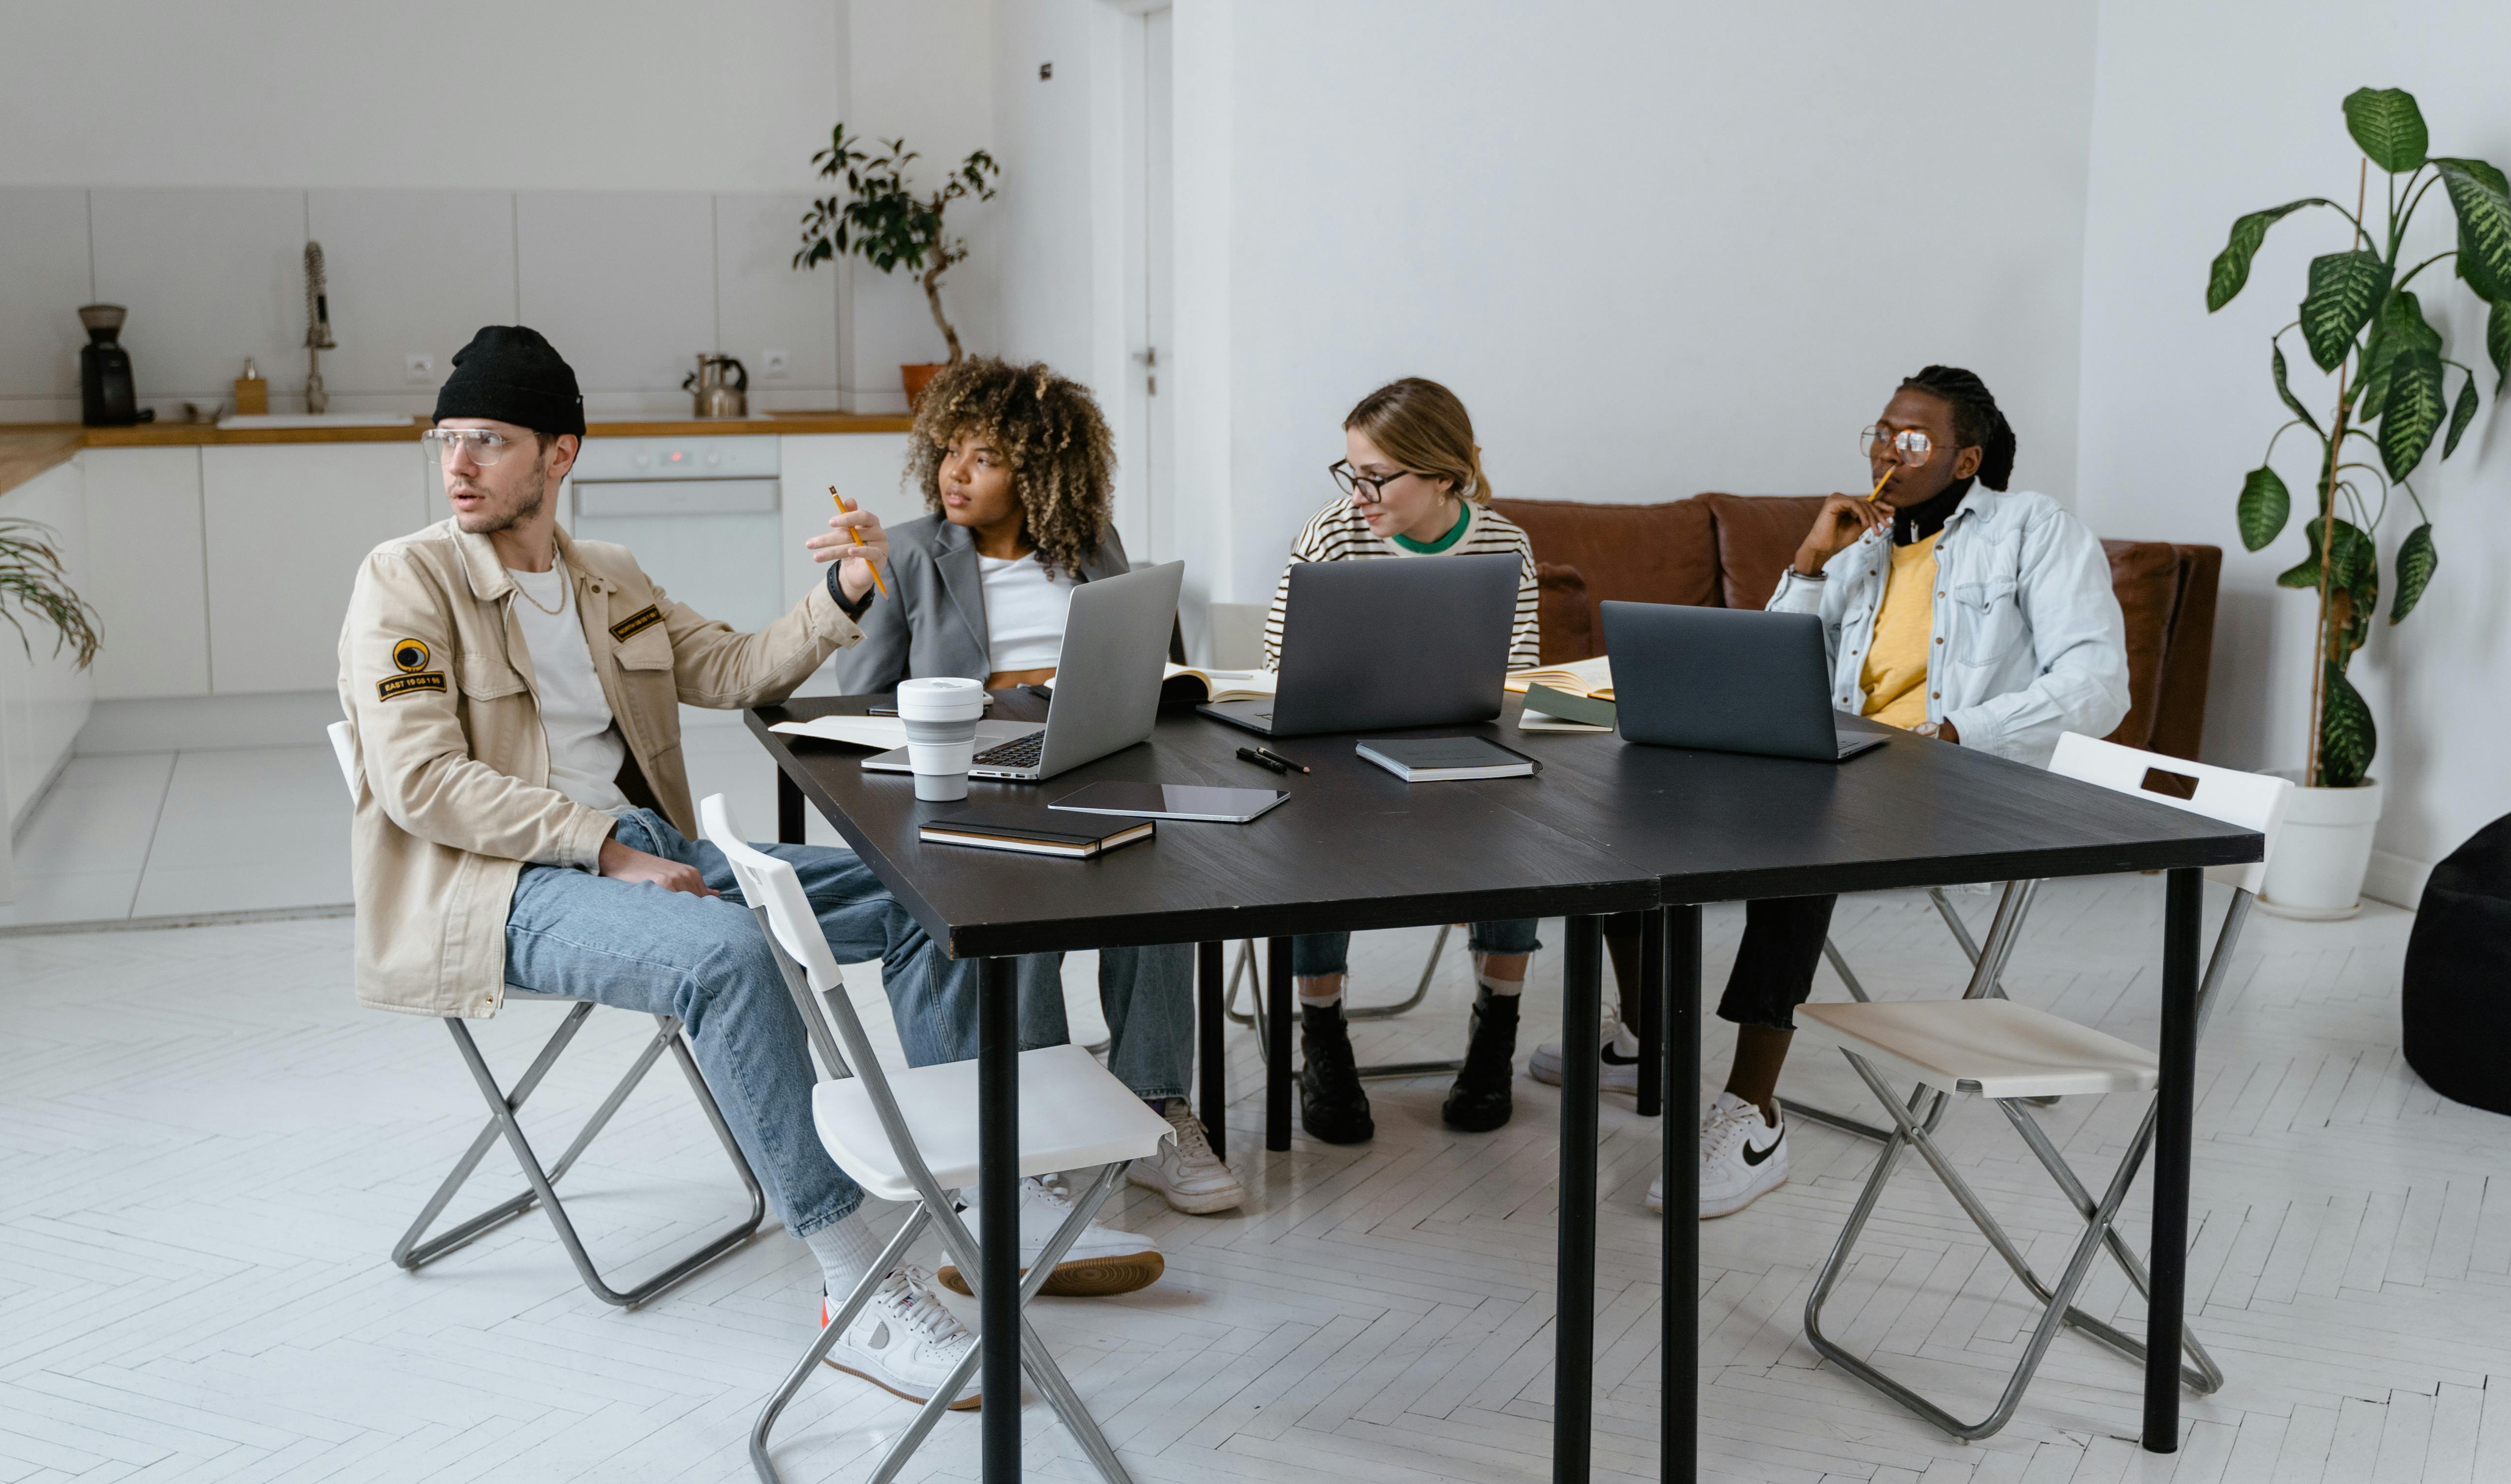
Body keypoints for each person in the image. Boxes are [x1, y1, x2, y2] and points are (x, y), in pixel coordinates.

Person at [339, 325, 984, 1407]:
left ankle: (963, 1194)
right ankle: (855, 1282)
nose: (456, 465)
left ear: (560, 454)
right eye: (446, 439)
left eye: (487, 441)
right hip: (502, 885)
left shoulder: (607, 578)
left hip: (656, 853)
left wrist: (853, 594)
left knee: (931, 892)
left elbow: (731, 669)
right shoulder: (404, 581)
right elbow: (422, 783)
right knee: (728, 956)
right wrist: (604, 848)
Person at [1528, 365, 2130, 1221]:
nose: (1888, 450)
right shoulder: (1868, 543)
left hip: (1959, 777)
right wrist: (1812, 561)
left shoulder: (2036, 529)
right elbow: (1770, 668)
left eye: (1912, 438)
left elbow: (2099, 683)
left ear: (1967, 459)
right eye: (1881, 432)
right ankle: (1638, 1037)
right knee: (1631, 795)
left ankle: (1753, 1113)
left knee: (1801, 841)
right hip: (1843, 758)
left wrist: (1957, 733)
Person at [836, 360, 1245, 1295]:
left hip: (1094, 762)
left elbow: (1142, 662)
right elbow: (856, 703)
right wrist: (979, 688)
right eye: (949, 451)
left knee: (1160, 894)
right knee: (1017, 915)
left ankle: (1154, 1112)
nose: (955, 471)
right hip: (976, 783)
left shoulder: (1093, 546)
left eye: (985, 456)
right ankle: (1043, 1133)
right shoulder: (905, 554)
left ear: (1040, 469)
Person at [1260, 377, 1545, 1142]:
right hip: (1342, 757)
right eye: (1352, 471)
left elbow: (1515, 681)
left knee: (1516, 819)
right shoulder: (1332, 536)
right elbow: (1277, 671)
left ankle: (1496, 1032)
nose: (1361, 492)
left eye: (1378, 476)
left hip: (1464, 752)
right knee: (1311, 823)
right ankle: (1322, 1036)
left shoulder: (1503, 543)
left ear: (1443, 474)